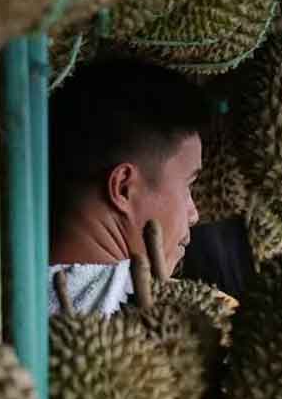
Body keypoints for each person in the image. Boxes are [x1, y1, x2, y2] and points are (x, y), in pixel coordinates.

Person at [48, 60, 208, 316]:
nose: (194, 214)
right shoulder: (195, 316)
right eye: (188, 185)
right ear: (124, 188)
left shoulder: (6, 299)